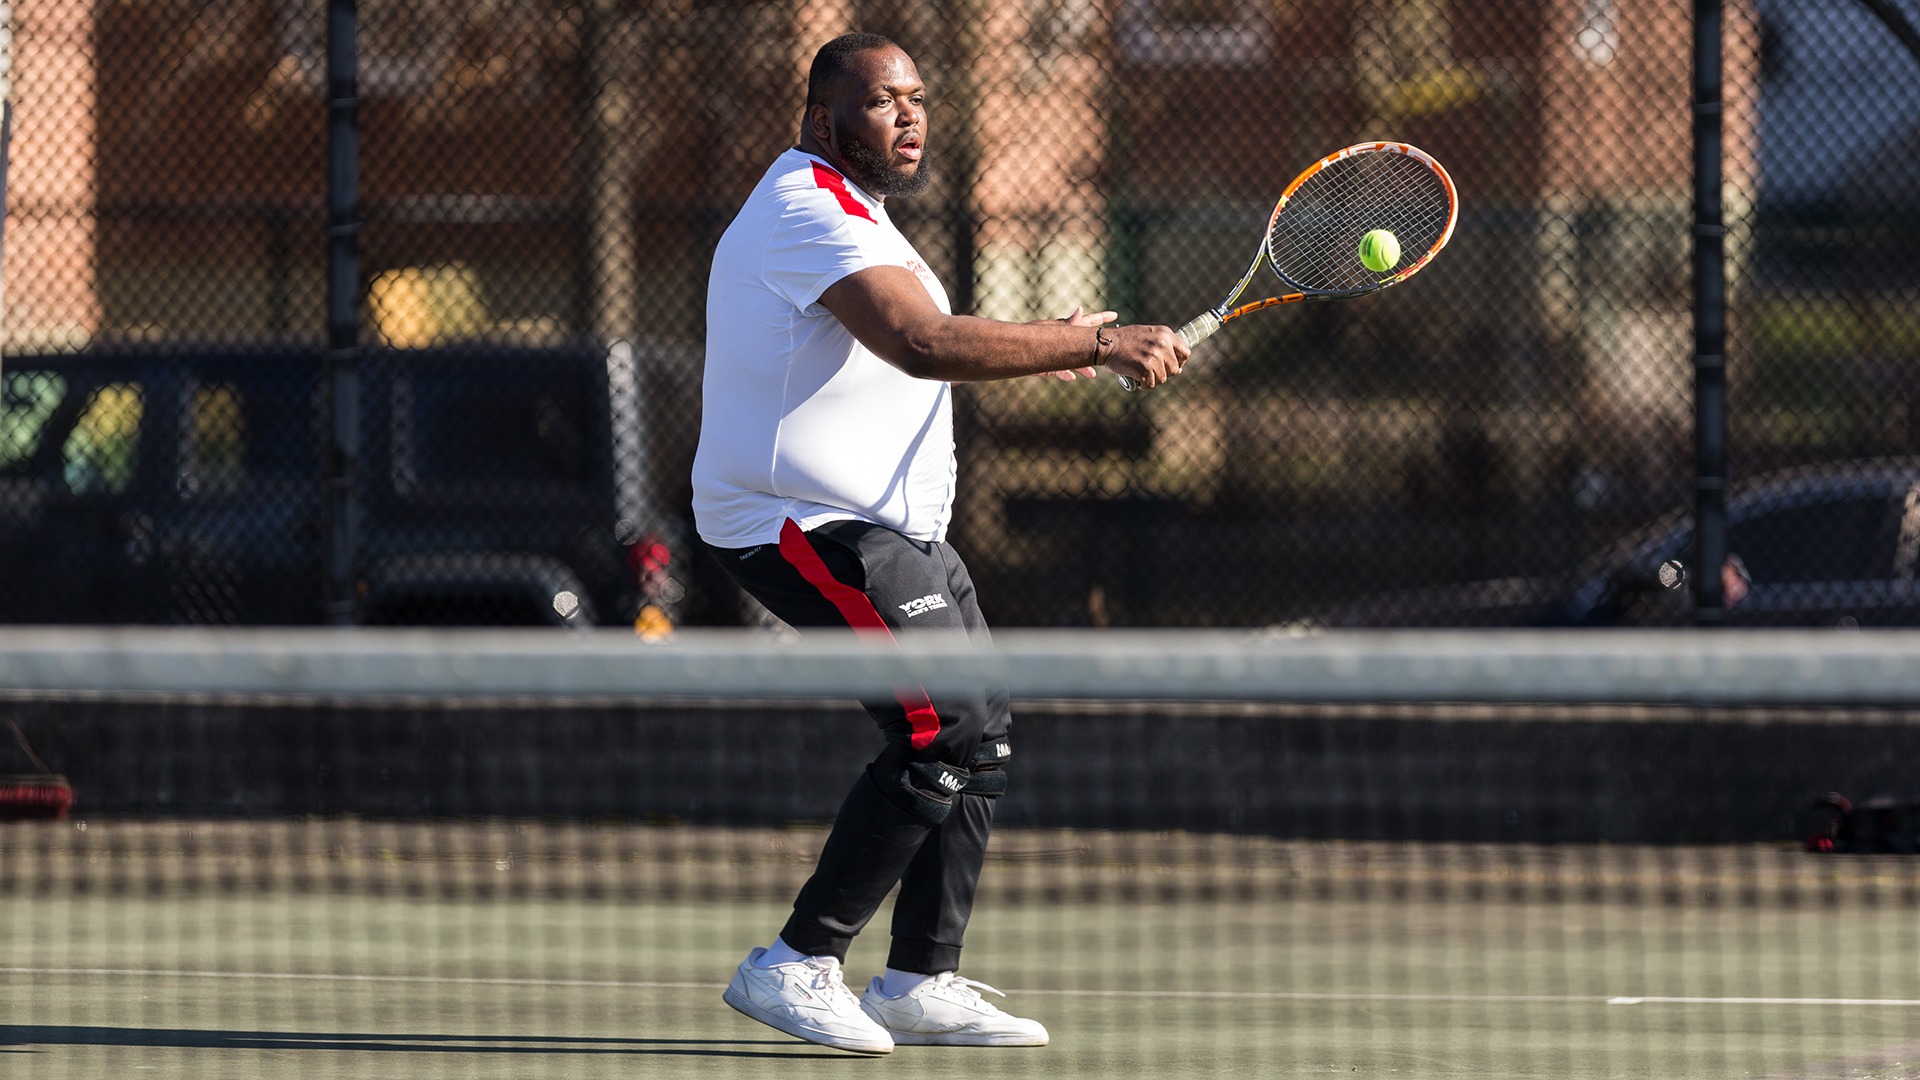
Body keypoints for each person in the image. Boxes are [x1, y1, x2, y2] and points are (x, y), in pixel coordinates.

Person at [692, 32, 1188, 1055]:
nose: (911, 116)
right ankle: (793, 962)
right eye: (884, 101)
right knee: (939, 725)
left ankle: (919, 977)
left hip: (891, 527)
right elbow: (918, 343)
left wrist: (1043, 343)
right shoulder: (804, 206)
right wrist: (1093, 342)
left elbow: (930, 328)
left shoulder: (859, 214)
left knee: (982, 730)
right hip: (798, 523)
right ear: (825, 121)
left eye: (918, 97)